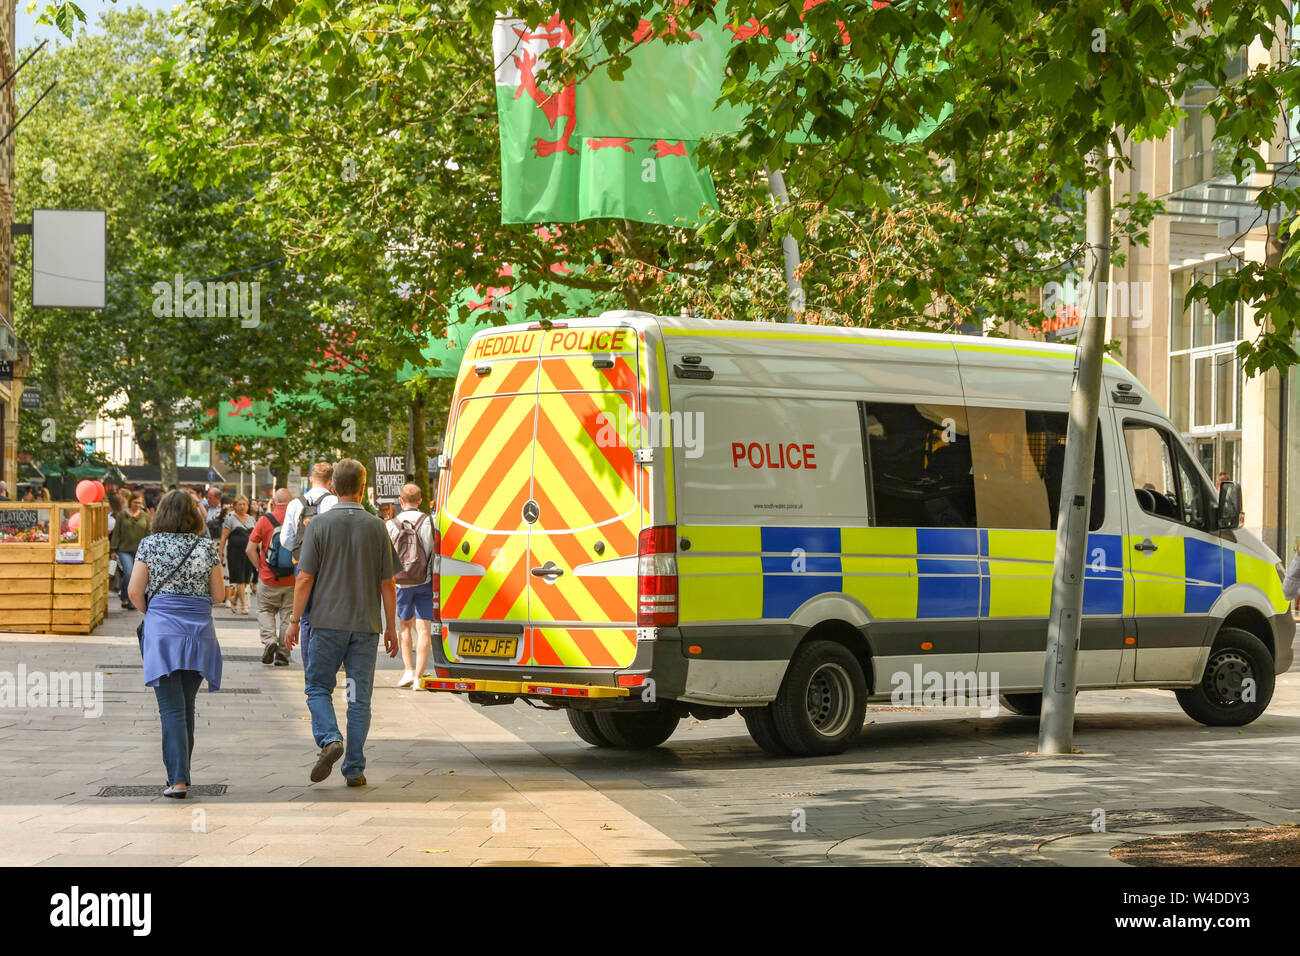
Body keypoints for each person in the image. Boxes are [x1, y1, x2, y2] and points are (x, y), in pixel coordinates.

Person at [285, 459, 398, 787]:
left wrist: (294, 620)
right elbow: (387, 583)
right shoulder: (377, 526)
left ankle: (330, 737)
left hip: (326, 624)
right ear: (363, 487)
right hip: (365, 627)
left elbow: (304, 578)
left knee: (318, 687)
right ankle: (354, 769)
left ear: (333, 487)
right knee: (357, 697)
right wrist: (390, 626)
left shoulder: (318, 525)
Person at [127, 489, 225, 799]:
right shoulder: (206, 547)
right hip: (199, 634)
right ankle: (182, 774)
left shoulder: (150, 545)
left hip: (163, 633)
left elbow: (133, 591)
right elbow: (219, 595)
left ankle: (179, 779)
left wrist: (154, 613)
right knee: (186, 706)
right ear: (195, 515)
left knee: (172, 709)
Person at [282, 462, 338, 667]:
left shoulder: (295, 504)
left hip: (303, 566)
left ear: (311, 478)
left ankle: (309, 665)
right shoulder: (335, 502)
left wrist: (302, 552)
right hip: (330, 568)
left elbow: (286, 540)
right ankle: (327, 661)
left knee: (305, 617)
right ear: (331, 481)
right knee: (330, 615)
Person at [387, 483, 435, 689]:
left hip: (401, 583)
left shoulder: (391, 524)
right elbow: (432, 552)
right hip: (424, 581)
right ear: (421, 500)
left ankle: (408, 670)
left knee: (404, 625)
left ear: (400, 500)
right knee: (424, 628)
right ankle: (419, 677)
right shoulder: (428, 522)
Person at [247, 488, 296, 666]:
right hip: (292, 578)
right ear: (292, 503)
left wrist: (260, 568)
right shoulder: (298, 520)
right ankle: (283, 654)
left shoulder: (265, 520)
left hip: (268, 577)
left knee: (265, 610)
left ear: (273, 503)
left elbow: (250, 549)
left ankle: (269, 641)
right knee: (287, 615)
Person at [109, 492, 150, 610]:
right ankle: (125, 596)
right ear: (130, 501)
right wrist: (113, 549)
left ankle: (129, 599)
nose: (138, 505)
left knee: (137, 577)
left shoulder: (144, 516)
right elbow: (117, 533)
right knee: (129, 573)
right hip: (124, 550)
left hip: (140, 551)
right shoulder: (122, 515)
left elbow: (148, 533)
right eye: (135, 502)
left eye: (140, 503)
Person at [219, 496, 258, 614]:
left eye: (244, 504)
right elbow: (223, 537)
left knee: (246, 579)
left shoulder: (252, 519)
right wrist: (220, 553)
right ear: (235, 506)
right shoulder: (230, 519)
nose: (242, 507)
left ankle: (234, 600)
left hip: (249, 553)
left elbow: (256, 537)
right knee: (240, 579)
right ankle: (244, 606)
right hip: (235, 553)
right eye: (239, 504)